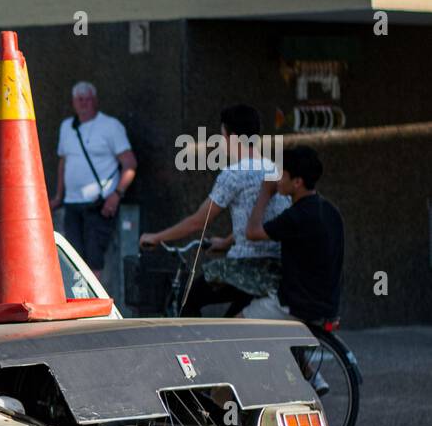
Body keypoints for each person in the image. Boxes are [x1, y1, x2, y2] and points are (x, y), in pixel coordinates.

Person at [140, 104, 289, 316]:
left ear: (234, 137)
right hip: (275, 268)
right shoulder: (274, 169)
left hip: (244, 267)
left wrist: (156, 237)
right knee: (233, 328)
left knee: (186, 297)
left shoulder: (234, 173)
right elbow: (267, 218)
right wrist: (226, 242)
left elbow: (199, 221)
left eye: (222, 136)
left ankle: (196, 349)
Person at [242, 146, 343, 324]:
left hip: (296, 305)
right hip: (327, 304)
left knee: (235, 325)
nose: (278, 179)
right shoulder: (330, 211)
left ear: (297, 182)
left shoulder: (295, 216)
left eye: (282, 174)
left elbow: (252, 232)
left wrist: (265, 192)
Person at [52, 81, 137, 279]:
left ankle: (93, 303)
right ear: (73, 102)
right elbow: (63, 163)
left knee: (94, 260)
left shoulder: (111, 126)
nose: (83, 103)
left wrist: (116, 195)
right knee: (72, 259)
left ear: (95, 101)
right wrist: (58, 196)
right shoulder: (67, 126)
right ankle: (77, 302)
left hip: (98, 204)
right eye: (79, 99)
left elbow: (130, 164)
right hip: (72, 203)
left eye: (87, 99)